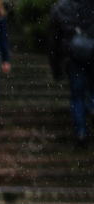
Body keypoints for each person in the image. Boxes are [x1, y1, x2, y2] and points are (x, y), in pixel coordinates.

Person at [49, 0, 94, 147]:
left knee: (77, 95)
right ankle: (92, 108)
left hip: (72, 56)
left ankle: (80, 131)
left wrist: (56, 68)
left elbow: (53, 41)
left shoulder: (61, 8)